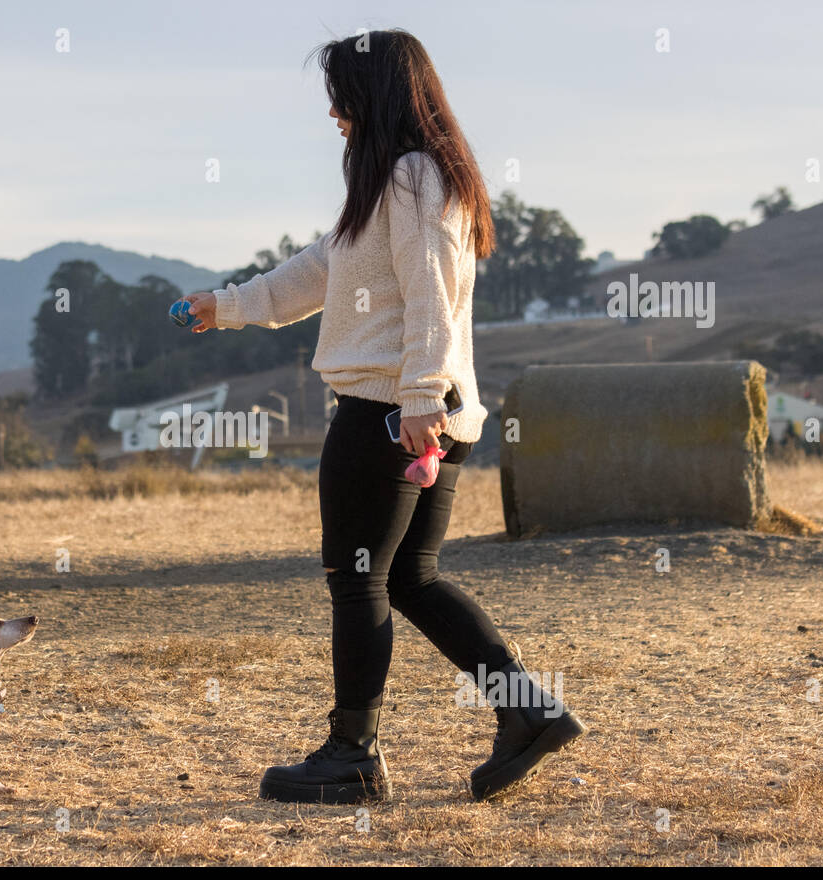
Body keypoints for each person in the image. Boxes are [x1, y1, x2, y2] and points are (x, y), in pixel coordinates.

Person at [180, 29, 586, 803]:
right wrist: (223, 306)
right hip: (419, 412)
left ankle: (352, 755)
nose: (334, 111)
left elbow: (430, 292)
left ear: (378, 96)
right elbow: (315, 274)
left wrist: (419, 398)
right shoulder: (398, 183)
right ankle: (528, 712)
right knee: (408, 577)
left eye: (342, 95)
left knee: (357, 578)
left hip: (389, 414)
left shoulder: (412, 178)